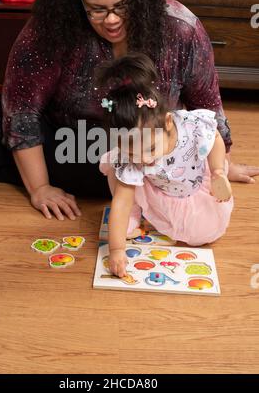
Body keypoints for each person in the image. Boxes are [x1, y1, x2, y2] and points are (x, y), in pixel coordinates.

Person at [0, 0, 257, 221]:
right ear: (78, 3)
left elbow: (206, 105)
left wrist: (215, 164)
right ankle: (15, 168)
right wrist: (39, 189)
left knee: (116, 172)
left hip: (132, 143)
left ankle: (8, 169)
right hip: (51, 127)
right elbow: (22, 112)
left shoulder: (180, 29)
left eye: (120, 6)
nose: (111, 20)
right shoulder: (52, 27)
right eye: (97, 10)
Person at [97, 53, 234, 278]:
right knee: (118, 167)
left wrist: (218, 170)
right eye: (133, 152)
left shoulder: (191, 127)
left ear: (168, 122)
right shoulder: (134, 156)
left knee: (204, 235)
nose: (144, 159)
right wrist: (117, 249)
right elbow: (119, 203)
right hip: (159, 188)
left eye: (150, 148)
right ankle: (136, 210)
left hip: (191, 183)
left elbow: (215, 139)